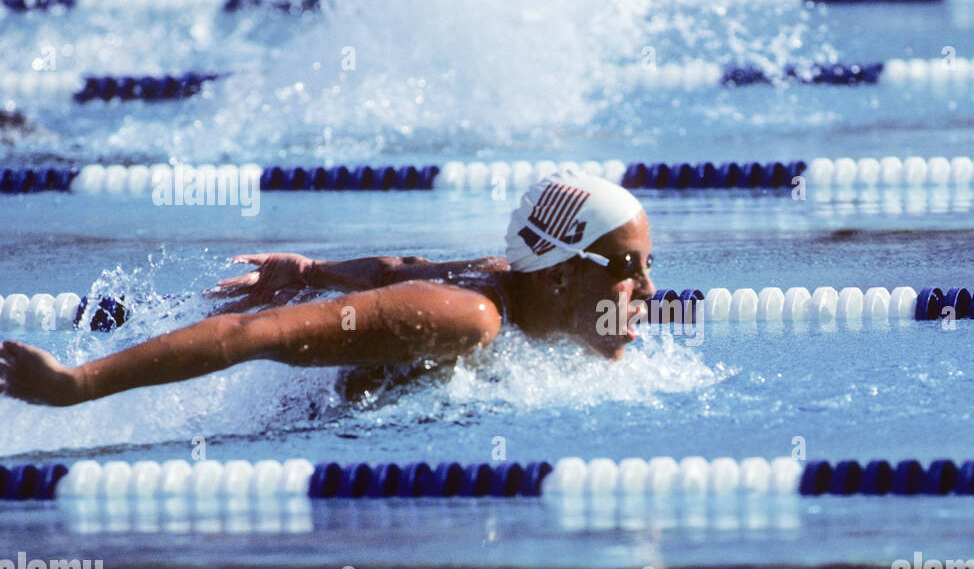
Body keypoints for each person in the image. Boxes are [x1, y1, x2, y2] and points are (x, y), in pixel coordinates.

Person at [0, 170, 655, 407]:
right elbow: (249, 334)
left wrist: (314, 272)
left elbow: (402, 266)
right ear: (565, 271)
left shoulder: (511, 282)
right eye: (628, 268)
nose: (648, 290)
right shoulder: (467, 320)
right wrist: (77, 386)